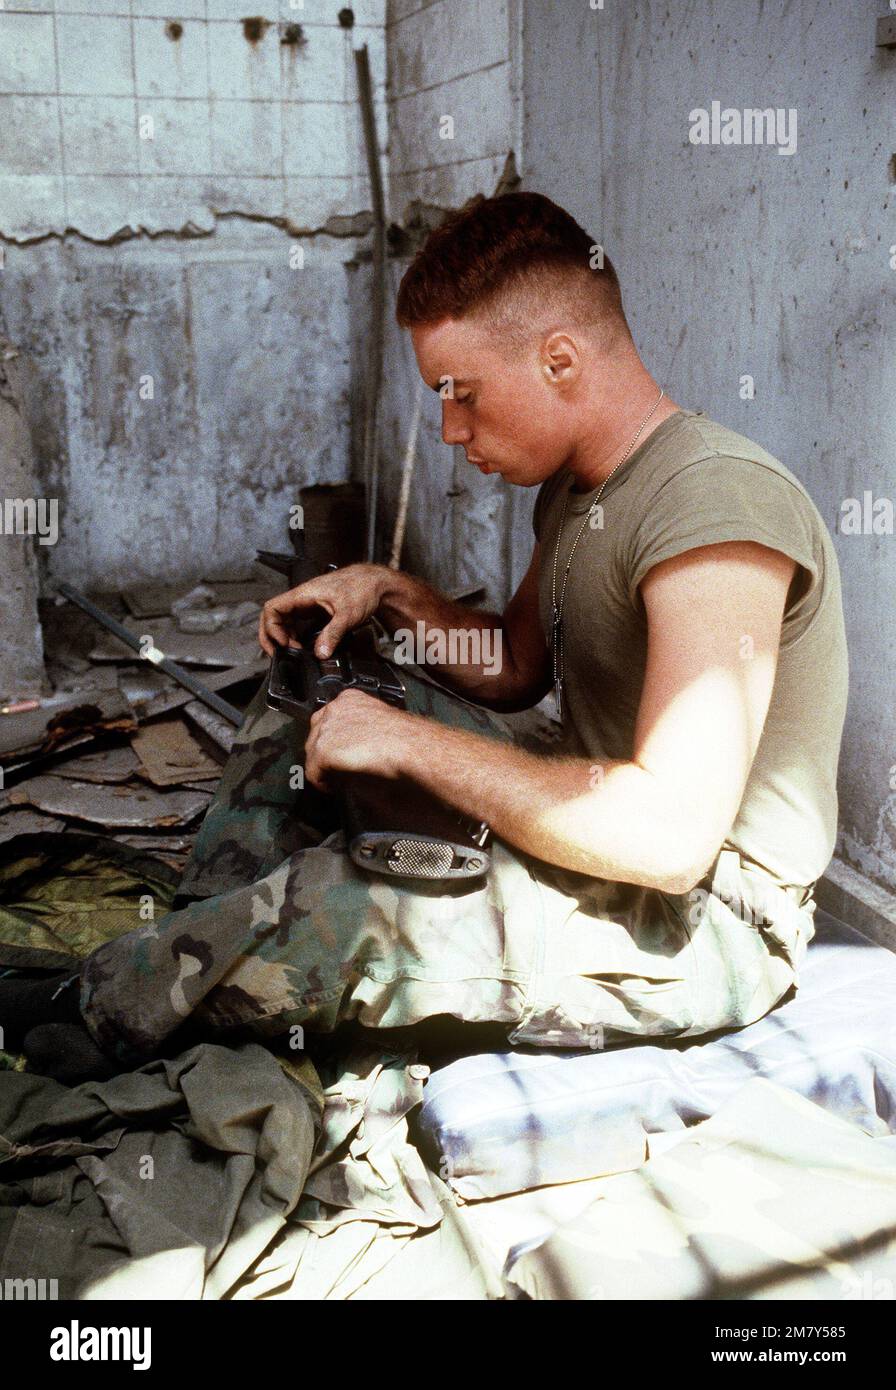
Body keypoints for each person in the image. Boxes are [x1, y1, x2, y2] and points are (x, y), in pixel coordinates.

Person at [6, 191, 849, 1077]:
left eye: (464, 396)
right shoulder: (578, 491)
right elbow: (516, 665)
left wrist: (409, 745)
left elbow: (672, 842)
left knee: (353, 905)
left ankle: (110, 1000)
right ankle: (202, 936)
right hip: (597, 830)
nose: (452, 431)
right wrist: (387, 595)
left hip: (704, 920)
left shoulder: (716, 507)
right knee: (320, 680)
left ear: (560, 359)